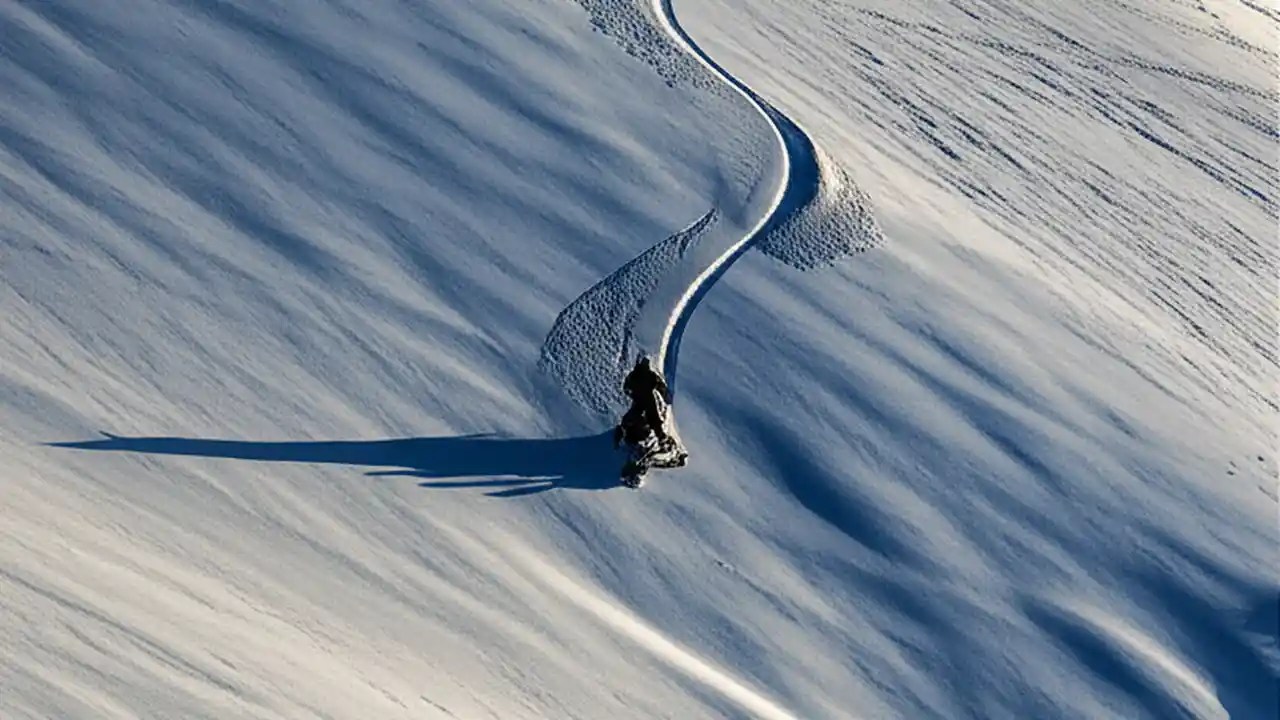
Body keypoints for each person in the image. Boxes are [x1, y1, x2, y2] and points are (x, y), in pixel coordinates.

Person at [621, 354, 669, 442]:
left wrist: (631, 393)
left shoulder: (634, 374)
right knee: (653, 417)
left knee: (637, 414)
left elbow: (626, 386)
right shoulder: (648, 374)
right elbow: (659, 384)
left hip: (638, 399)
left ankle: (631, 431)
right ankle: (659, 436)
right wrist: (663, 392)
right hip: (647, 399)